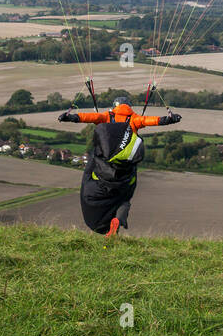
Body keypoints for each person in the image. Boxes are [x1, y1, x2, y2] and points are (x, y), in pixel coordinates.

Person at [58, 100, 181, 237]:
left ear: (114, 106)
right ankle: (118, 219)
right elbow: (152, 120)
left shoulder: (106, 116)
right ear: (129, 107)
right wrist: (169, 119)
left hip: (104, 167)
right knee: (125, 198)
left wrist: (70, 117)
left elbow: (89, 117)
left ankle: (105, 224)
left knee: (88, 181)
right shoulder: (134, 119)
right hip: (126, 171)